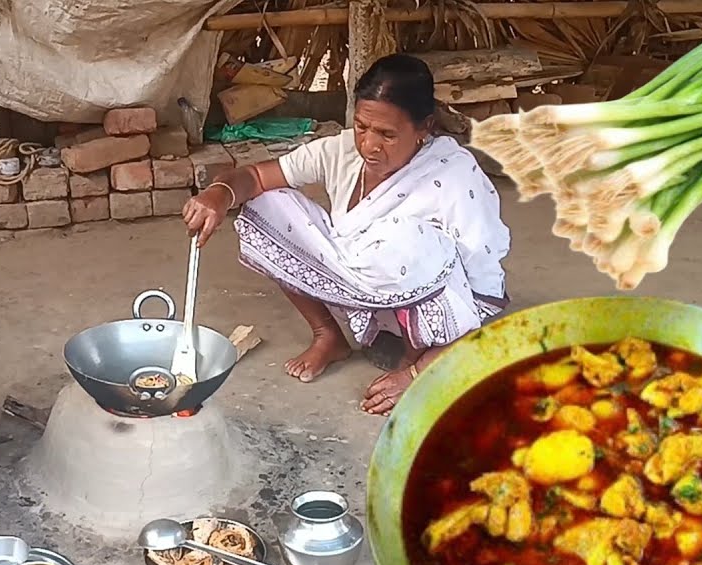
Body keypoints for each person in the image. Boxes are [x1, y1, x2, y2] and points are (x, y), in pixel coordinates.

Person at [182, 53, 511, 416]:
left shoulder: (455, 176)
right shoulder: (340, 151)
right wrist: (219, 194)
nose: (370, 145)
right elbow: (257, 177)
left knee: (411, 240)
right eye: (361, 127)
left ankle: (418, 360)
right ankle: (329, 336)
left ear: (424, 128)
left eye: (387, 134)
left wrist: (420, 373)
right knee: (267, 206)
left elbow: (483, 294)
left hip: (426, 307)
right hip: (356, 276)